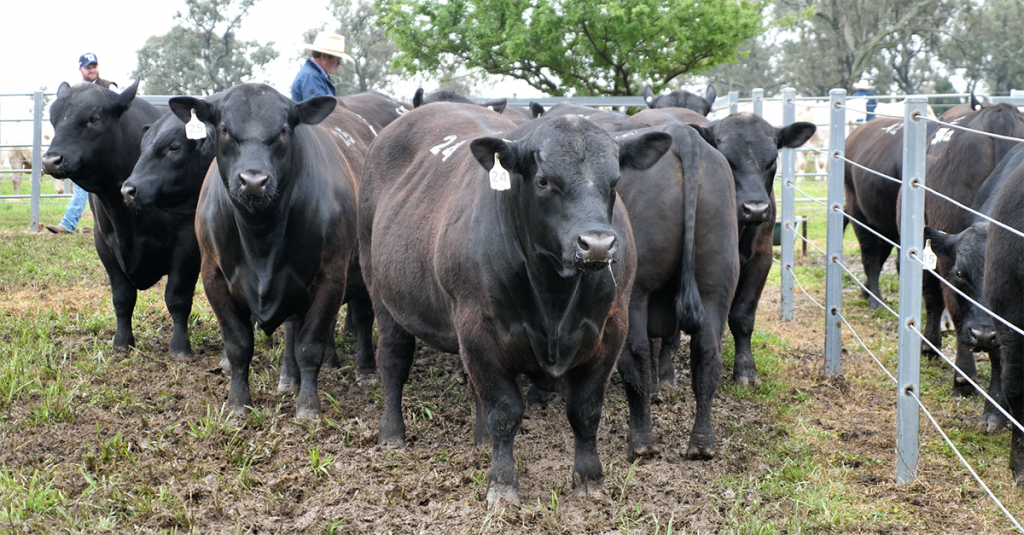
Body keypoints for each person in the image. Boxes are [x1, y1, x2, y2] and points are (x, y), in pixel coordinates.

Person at [46, 53, 116, 234]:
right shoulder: (74, 92)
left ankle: (105, 226)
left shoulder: (109, 87)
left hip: (108, 152)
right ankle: (69, 224)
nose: (92, 70)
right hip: (84, 150)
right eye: (88, 67)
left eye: (94, 66)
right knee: (81, 186)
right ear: (80, 69)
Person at [290, 32, 354, 102]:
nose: (339, 63)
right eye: (337, 59)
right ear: (323, 56)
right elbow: (318, 107)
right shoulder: (312, 77)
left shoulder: (313, 75)